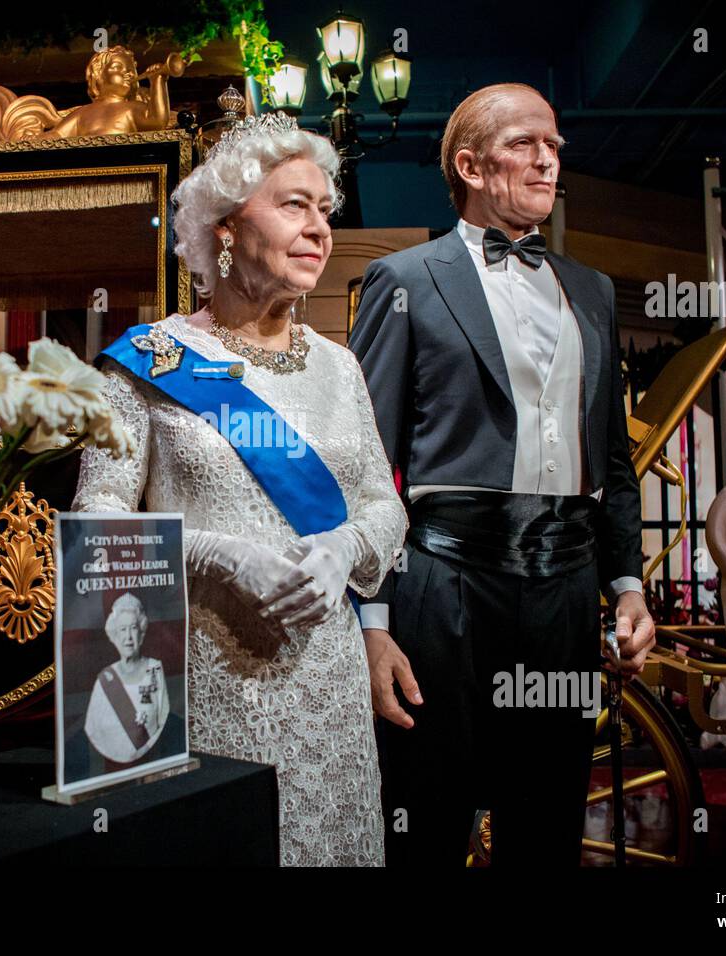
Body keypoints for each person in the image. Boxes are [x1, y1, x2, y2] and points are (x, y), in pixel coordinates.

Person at [73, 112, 407, 866]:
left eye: (326, 210)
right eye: (294, 205)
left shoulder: (340, 368)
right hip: (203, 683)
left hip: (329, 689)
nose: (319, 228)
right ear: (225, 225)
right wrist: (224, 557)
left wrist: (343, 547)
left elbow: (385, 505)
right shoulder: (146, 364)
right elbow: (94, 522)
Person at [350, 83, 656, 866]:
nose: (548, 159)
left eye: (554, 146)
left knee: (549, 817)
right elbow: (368, 462)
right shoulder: (405, 281)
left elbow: (613, 458)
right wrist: (373, 625)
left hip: (564, 588)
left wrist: (627, 585)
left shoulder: (591, 290)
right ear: (470, 165)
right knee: (427, 809)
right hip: (444, 583)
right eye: (526, 143)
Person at [84, 593, 169, 764]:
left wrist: (143, 751)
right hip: (109, 768)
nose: (128, 637)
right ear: (114, 636)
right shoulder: (105, 679)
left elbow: (163, 719)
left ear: (142, 633)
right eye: (123, 629)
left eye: (133, 628)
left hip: (150, 761)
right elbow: (92, 730)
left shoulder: (155, 669)